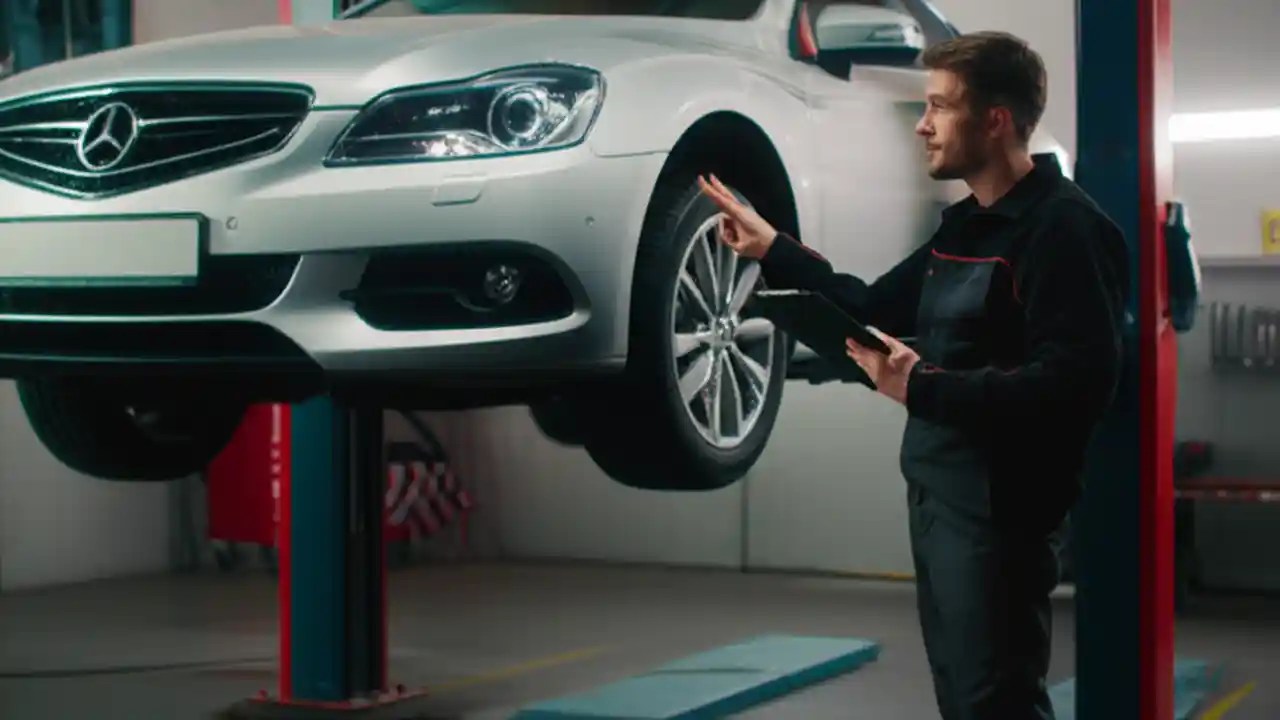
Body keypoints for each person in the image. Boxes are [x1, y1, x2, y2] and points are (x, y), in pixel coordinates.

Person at [698, 31, 1128, 720]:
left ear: (995, 120)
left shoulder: (1065, 230)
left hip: (1002, 517)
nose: (922, 125)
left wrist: (923, 387)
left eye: (940, 107)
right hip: (936, 498)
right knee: (964, 699)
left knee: (996, 703)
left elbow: (1075, 384)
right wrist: (772, 247)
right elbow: (871, 307)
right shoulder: (964, 228)